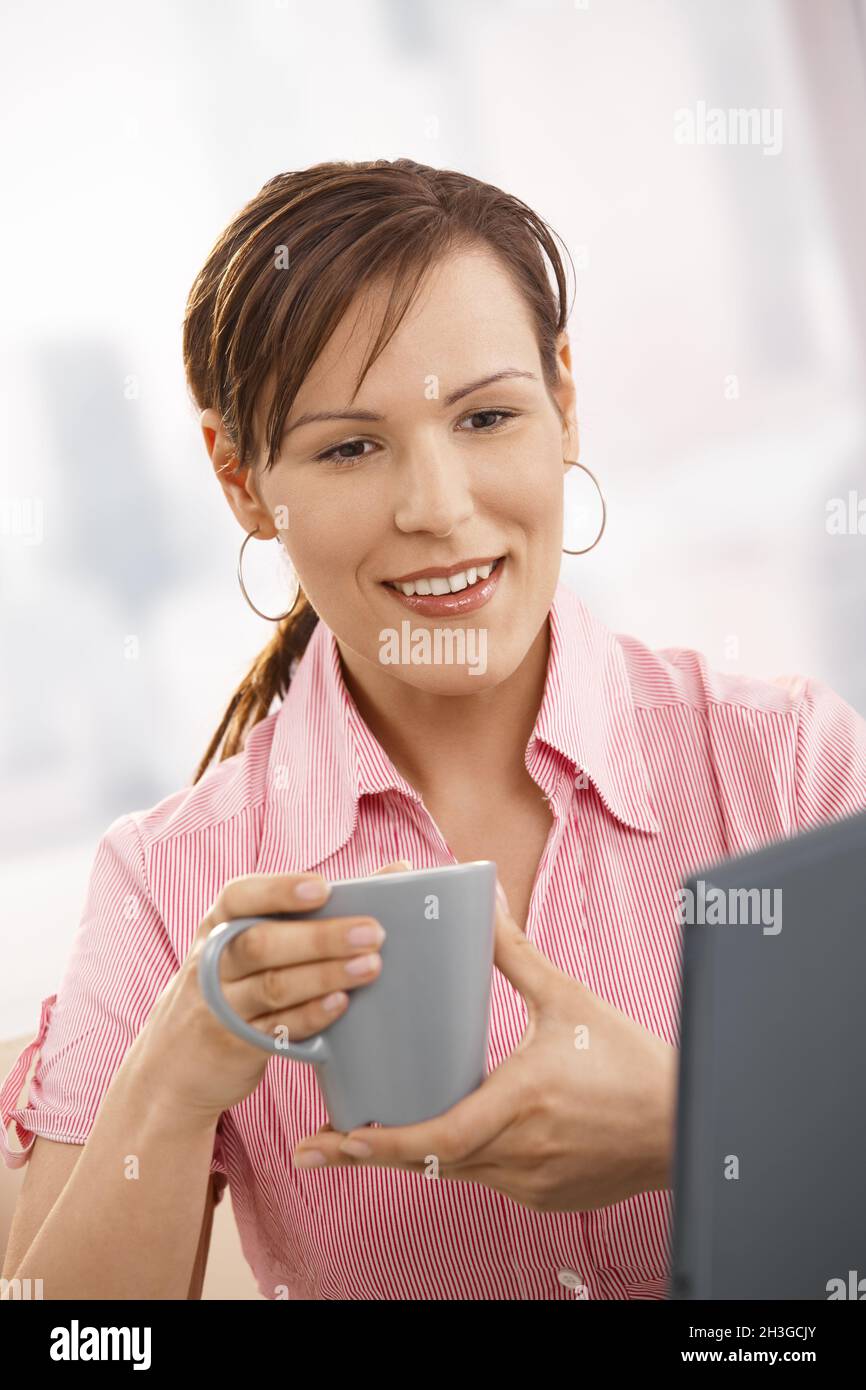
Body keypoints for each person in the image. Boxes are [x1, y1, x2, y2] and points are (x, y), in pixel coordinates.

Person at [3, 159, 865, 1301]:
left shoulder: (786, 768)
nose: (438, 507)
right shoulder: (166, 888)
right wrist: (170, 1082)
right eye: (349, 448)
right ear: (241, 479)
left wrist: (689, 1120)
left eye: (487, 416)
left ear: (564, 400)